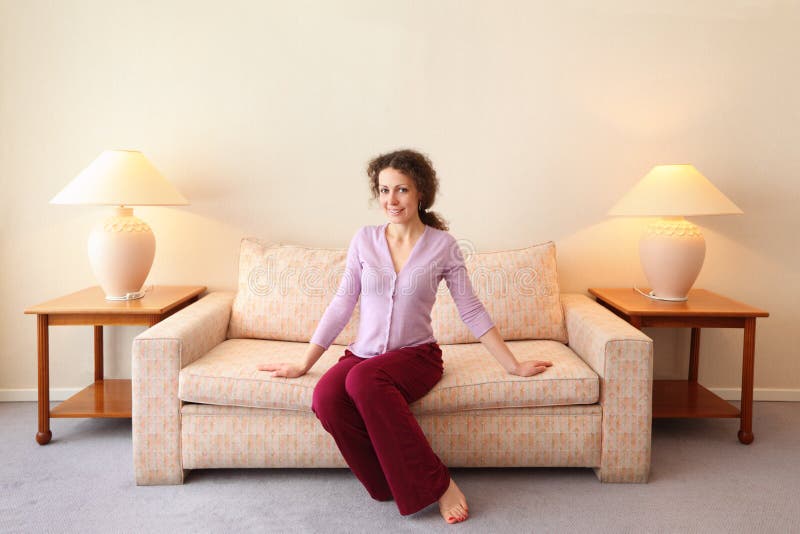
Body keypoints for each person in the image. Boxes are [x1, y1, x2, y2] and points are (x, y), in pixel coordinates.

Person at [257, 149, 553, 524]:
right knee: (327, 396)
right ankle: (385, 482)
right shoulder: (364, 240)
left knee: (364, 380)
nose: (391, 200)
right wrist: (304, 362)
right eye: (384, 191)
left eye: (401, 190)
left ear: (420, 194)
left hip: (416, 358)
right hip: (362, 355)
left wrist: (513, 365)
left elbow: (471, 309)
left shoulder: (443, 246)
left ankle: (439, 484)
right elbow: (342, 303)